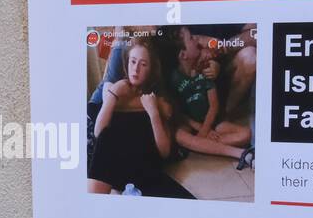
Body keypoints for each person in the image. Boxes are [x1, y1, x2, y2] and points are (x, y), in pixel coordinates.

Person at [87, 40, 193, 198]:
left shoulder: (158, 100)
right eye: (133, 61)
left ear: (151, 70)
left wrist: (153, 113)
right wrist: (112, 98)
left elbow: (164, 152)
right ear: (126, 63)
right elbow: (99, 133)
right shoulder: (114, 89)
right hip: (114, 165)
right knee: (107, 137)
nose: (135, 69)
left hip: (145, 169)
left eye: (143, 64)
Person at [163, 28, 252, 167]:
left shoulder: (205, 67)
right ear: (183, 54)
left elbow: (214, 106)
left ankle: (199, 145)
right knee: (180, 136)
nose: (196, 40)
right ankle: (238, 153)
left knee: (246, 134)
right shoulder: (173, 79)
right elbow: (179, 113)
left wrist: (206, 130)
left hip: (212, 122)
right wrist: (202, 129)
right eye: (191, 38)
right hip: (190, 124)